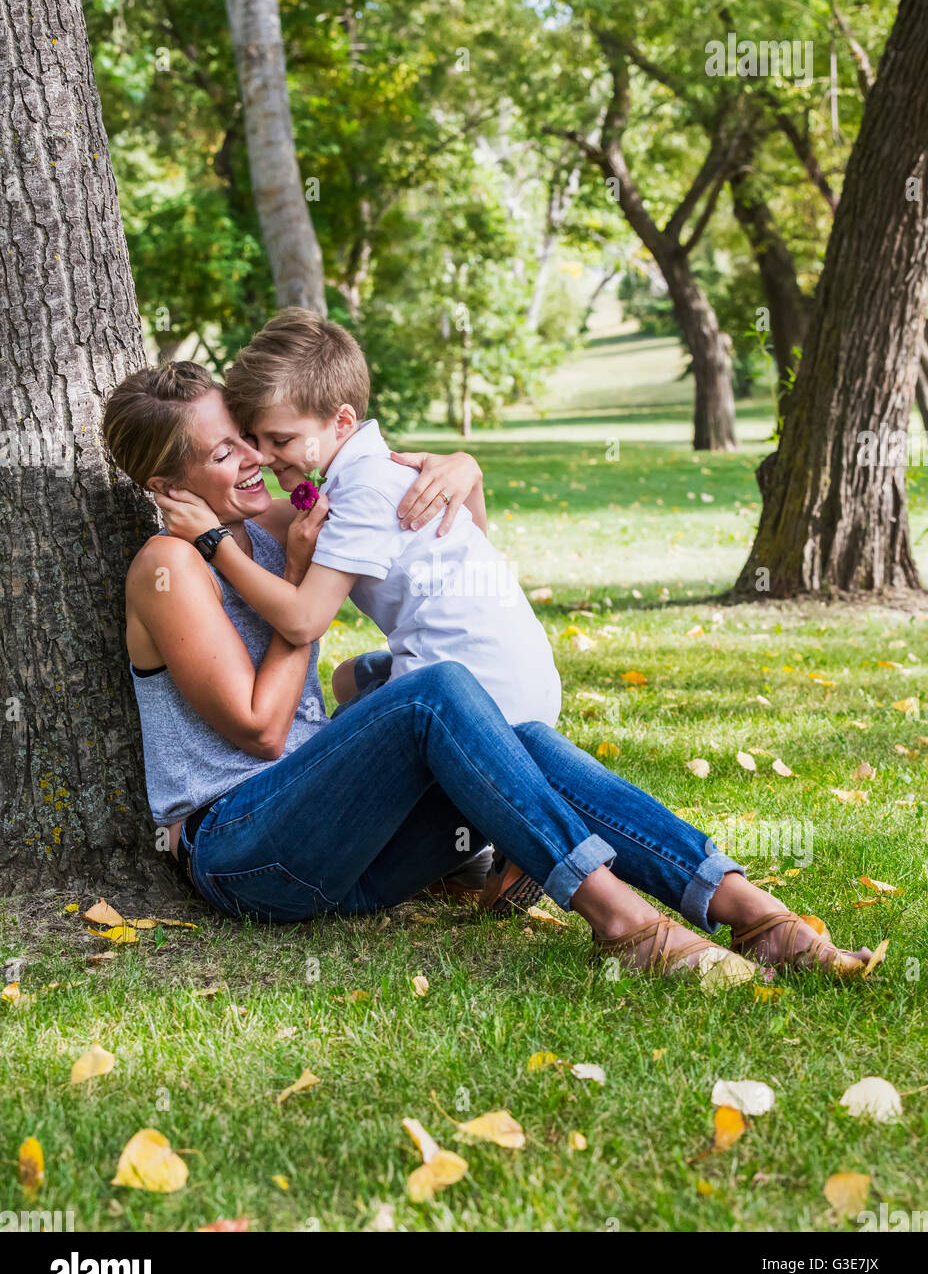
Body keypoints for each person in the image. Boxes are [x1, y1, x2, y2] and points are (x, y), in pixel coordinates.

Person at [100, 359, 881, 980]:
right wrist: (293, 590)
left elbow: (407, 512)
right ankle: (622, 922)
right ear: (169, 489)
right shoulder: (171, 566)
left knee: (519, 735)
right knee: (432, 693)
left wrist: (464, 468)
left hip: (341, 856)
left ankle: (751, 912)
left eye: (246, 437)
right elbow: (262, 731)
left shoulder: (266, 515)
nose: (253, 461)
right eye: (224, 451)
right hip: (245, 853)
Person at [151, 308, 562, 731]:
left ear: (343, 421)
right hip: (528, 677)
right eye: (255, 439)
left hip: (477, 698)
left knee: (351, 728)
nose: (262, 457)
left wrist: (214, 543)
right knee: (348, 679)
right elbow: (466, 543)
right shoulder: (379, 473)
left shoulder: (362, 491)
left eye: (282, 440)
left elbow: (304, 621)